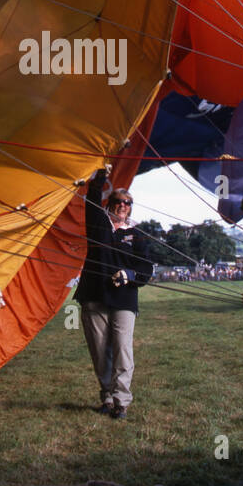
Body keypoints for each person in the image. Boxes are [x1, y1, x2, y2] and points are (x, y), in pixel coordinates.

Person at [74, 169, 152, 419]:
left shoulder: (137, 234)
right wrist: (98, 179)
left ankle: (121, 400)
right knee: (99, 350)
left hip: (124, 299)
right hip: (94, 295)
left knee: (122, 349)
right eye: (117, 201)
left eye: (127, 203)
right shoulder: (98, 226)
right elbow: (92, 200)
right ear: (110, 204)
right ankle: (106, 396)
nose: (122, 206)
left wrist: (129, 275)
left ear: (131, 208)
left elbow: (146, 268)